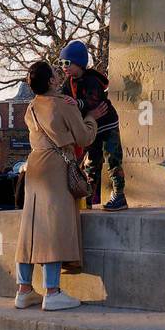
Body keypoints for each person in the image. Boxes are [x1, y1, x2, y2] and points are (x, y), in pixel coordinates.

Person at [15, 60, 98, 311]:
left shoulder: (30, 107)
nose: (58, 74)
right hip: (55, 167)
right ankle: (52, 292)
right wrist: (92, 118)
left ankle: (24, 289)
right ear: (51, 81)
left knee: (30, 228)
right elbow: (84, 136)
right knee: (54, 228)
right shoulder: (62, 104)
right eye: (54, 72)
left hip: (34, 167)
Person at [59, 41, 126, 211]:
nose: (63, 67)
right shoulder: (68, 84)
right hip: (92, 128)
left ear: (79, 63)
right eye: (61, 63)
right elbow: (63, 99)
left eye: (67, 63)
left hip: (107, 125)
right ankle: (87, 196)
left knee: (113, 159)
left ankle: (119, 195)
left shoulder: (92, 80)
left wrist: (76, 103)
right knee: (91, 164)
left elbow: (93, 100)